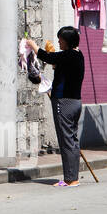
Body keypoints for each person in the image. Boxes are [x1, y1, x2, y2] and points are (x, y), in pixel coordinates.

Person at [23, 26, 85, 187]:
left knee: (66, 141)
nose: (59, 42)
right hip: (75, 102)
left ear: (68, 41)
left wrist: (31, 44)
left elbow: (46, 56)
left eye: (61, 39)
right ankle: (72, 176)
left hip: (64, 102)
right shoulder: (78, 56)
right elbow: (60, 67)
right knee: (72, 140)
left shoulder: (69, 54)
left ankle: (71, 179)